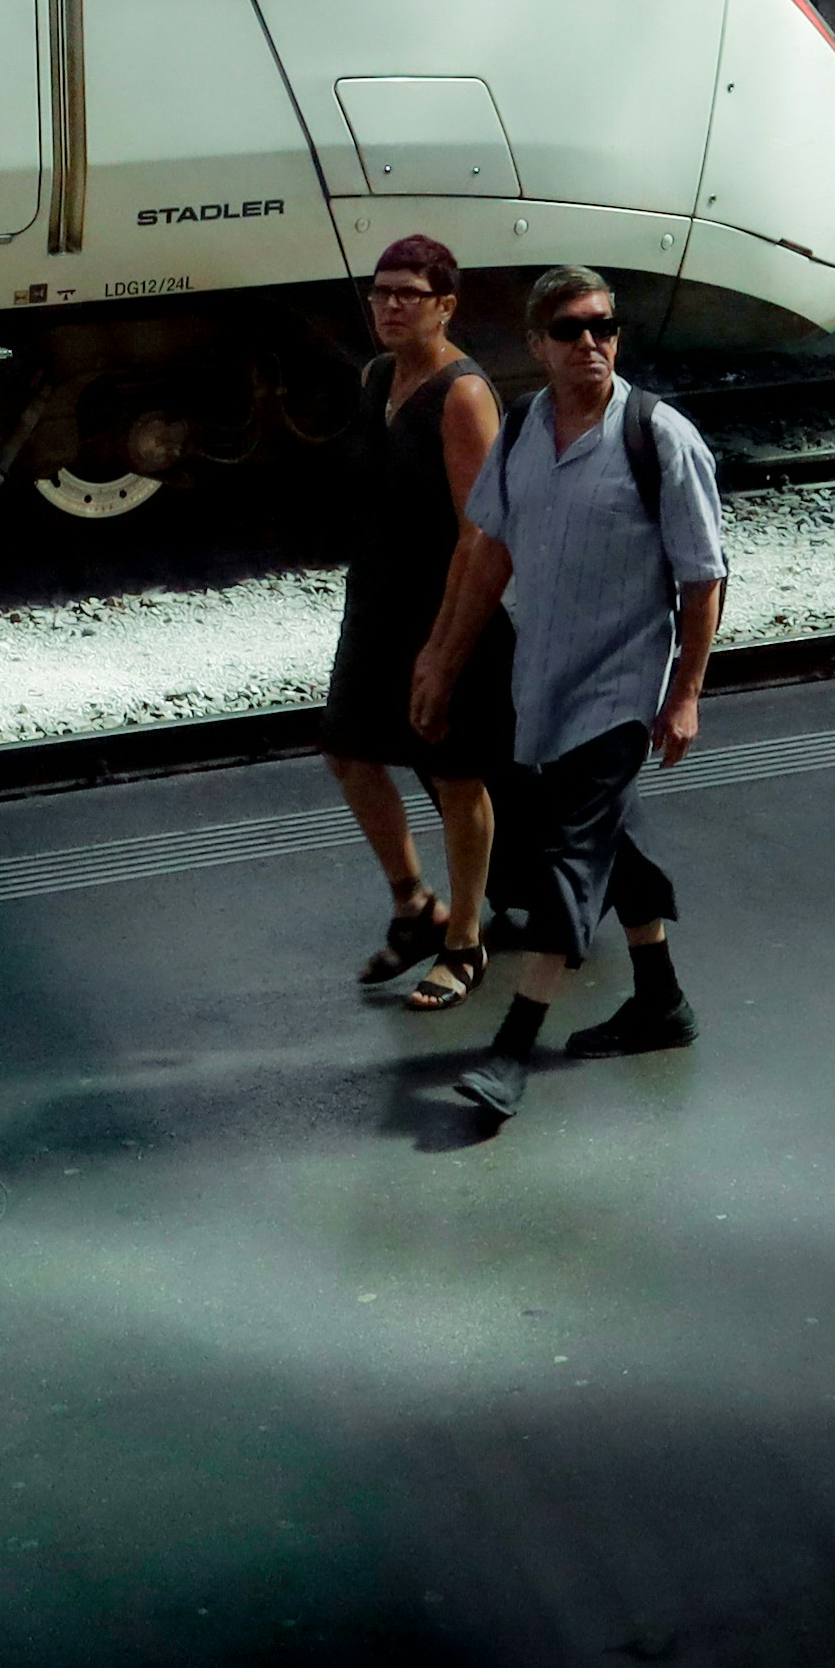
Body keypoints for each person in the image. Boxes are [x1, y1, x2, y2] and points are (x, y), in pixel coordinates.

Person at [403, 265, 727, 1126]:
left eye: (606, 327)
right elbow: (490, 554)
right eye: (572, 330)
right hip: (542, 678)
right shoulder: (521, 428)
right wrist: (445, 656)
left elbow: (703, 580)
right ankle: (660, 1003)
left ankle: (511, 1051)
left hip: (623, 688)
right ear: (538, 345)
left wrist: (685, 694)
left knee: (570, 855)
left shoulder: (661, 438)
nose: (593, 343)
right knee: (609, 839)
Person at [319, 238, 510, 1008]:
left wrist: (442, 649)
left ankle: (465, 942)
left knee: (454, 772)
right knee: (349, 751)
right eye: (380, 293)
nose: (391, 306)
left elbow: (481, 532)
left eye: (409, 294)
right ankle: (413, 904)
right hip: (376, 604)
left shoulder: (463, 396)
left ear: (445, 305)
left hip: (447, 612)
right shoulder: (376, 378)